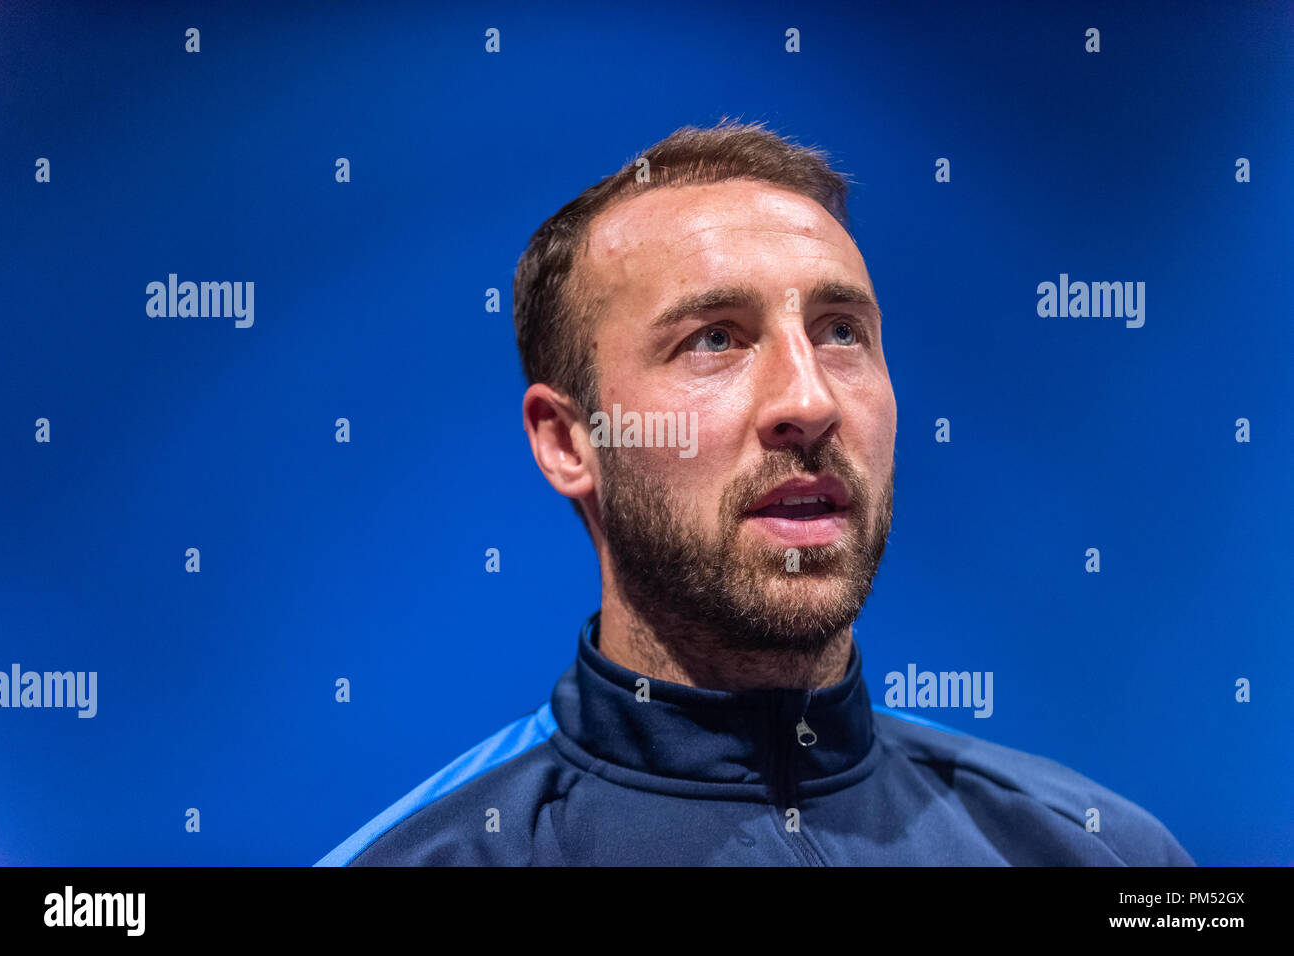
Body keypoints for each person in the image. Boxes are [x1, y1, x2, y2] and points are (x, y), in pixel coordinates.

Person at [318, 119, 1194, 866]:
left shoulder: (1102, 850)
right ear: (568, 440)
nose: (809, 402)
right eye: (715, 340)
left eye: (841, 331)